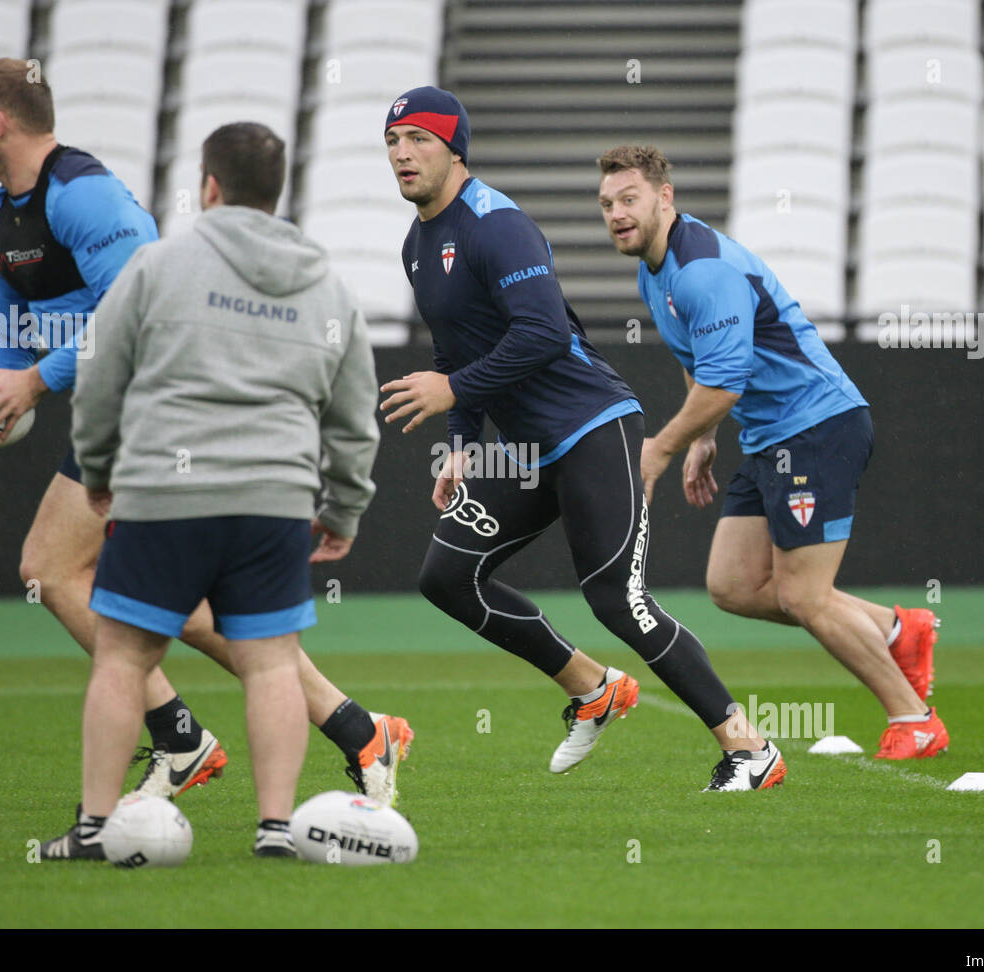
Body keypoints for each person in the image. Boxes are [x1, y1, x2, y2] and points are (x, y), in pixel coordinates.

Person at [0, 59, 412, 809]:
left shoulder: (87, 196)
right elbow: (6, 335)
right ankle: (354, 729)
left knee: (54, 568)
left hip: (158, 413)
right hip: (130, 417)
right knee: (164, 600)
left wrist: (36, 384)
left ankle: (179, 738)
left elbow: (137, 305)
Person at [378, 86, 784, 792]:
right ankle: (594, 688)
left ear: (455, 147)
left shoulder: (497, 224)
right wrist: (461, 442)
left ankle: (751, 748)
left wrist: (455, 393)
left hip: (592, 426)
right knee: (444, 577)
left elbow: (540, 332)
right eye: (392, 141)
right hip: (527, 450)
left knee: (616, 600)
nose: (402, 154)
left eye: (418, 139)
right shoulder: (417, 244)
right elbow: (456, 353)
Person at [42, 120, 380, 859]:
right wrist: (343, 507)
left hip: (165, 491)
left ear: (210, 187)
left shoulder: (160, 265)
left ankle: (97, 828)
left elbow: (98, 374)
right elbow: (356, 415)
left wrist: (97, 471)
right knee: (268, 660)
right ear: (276, 190)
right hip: (275, 501)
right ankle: (277, 829)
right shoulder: (327, 282)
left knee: (125, 657)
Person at [596, 144, 947, 760]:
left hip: (817, 425)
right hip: (769, 437)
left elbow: (725, 383)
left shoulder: (702, 269)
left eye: (630, 199)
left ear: (664, 197)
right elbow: (703, 365)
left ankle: (914, 718)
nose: (617, 214)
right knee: (732, 586)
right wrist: (704, 437)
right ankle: (899, 629)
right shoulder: (654, 274)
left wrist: (663, 449)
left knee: (804, 595)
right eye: (606, 204)